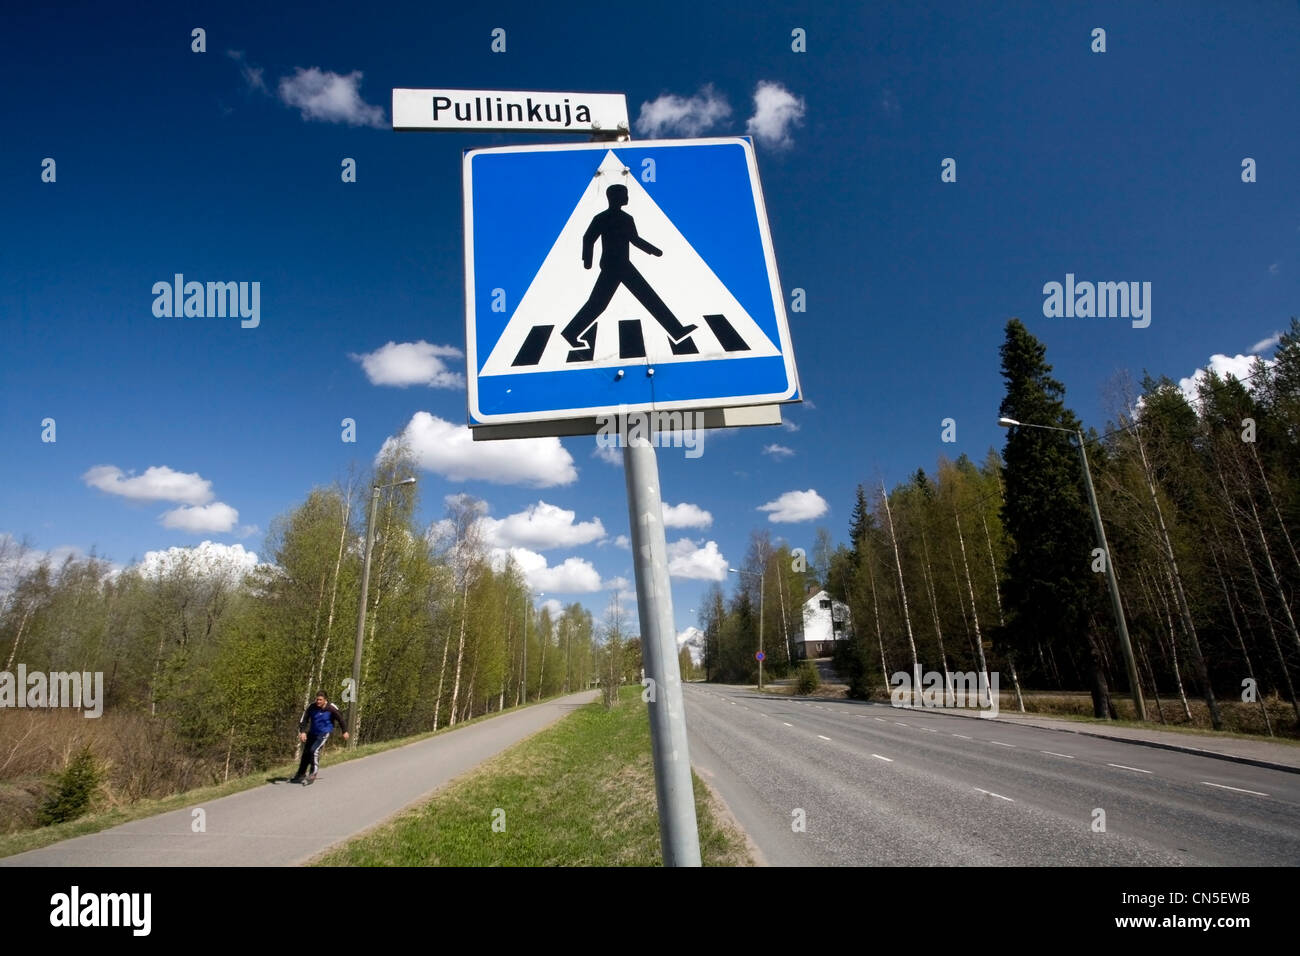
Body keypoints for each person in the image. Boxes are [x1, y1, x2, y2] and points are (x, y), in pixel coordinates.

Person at [560, 183, 697, 352]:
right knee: (601, 303)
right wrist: (587, 261)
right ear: (615, 197)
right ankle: (571, 332)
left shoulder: (626, 218)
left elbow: (635, 239)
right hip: (612, 266)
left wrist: (653, 250)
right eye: (624, 195)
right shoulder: (601, 218)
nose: (627, 198)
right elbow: (588, 238)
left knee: (645, 297)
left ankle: (676, 330)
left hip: (623, 264)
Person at [290, 690, 348, 784]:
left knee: (314, 750)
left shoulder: (331, 708)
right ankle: (300, 774)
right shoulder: (311, 706)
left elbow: (340, 718)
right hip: (312, 732)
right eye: (317, 699)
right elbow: (304, 719)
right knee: (306, 753)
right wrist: (303, 732)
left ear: (325, 700)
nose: (318, 702)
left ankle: (313, 773)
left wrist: (344, 731)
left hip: (324, 733)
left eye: (320, 700)